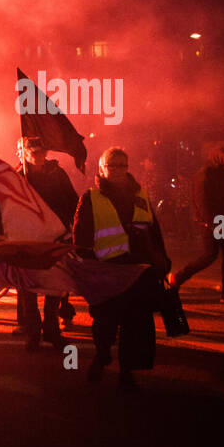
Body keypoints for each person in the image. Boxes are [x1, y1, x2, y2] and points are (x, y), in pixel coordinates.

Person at [72, 147, 171, 390]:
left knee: (135, 324)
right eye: (112, 165)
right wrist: (86, 265)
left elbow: (153, 230)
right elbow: (80, 235)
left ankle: (127, 371)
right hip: (106, 271)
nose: (117, 170)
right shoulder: (90, 198)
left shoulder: (141, 195)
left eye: (122, 165)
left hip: (137, 271)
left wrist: (162, 260)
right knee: (104, 322)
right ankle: (102, 355)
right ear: (102, 168)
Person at [16, 135, 79, 349]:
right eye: (34, 152)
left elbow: (72, 201)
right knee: (28, 287)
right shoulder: (19, 176)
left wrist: (72, 227)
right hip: (28, 237)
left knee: (55, 285)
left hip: (55, 236)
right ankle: (33, 333)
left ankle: (51, 330)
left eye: (42, 151)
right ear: (25, 153)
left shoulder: (57, 174)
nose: (39, 156)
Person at [171, 146, 224, 301]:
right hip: (216, 220)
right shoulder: (205, 174)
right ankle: (178, 277)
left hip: (223, 219)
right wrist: (211, 222)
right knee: (211, 255)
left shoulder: (222, 173)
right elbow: (202, 201)